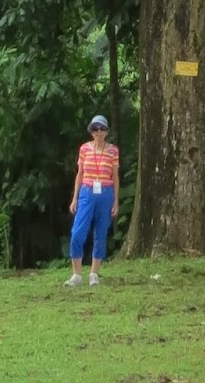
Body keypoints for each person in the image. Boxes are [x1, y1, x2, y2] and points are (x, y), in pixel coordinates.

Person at [65, 114, 119, 287]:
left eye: (102, 128)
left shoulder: (113, 151)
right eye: (96, 128)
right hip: (87, 191)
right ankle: (76, 274)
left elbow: (115, 176)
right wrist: (75, 198)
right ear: (91, 131)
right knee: (77, 232)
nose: (99, 132)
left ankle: (94, 273)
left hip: (106, 191)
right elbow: (80, 174)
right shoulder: (84, 149)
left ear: (106, 131)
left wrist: (116, 200)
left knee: (101, 232)